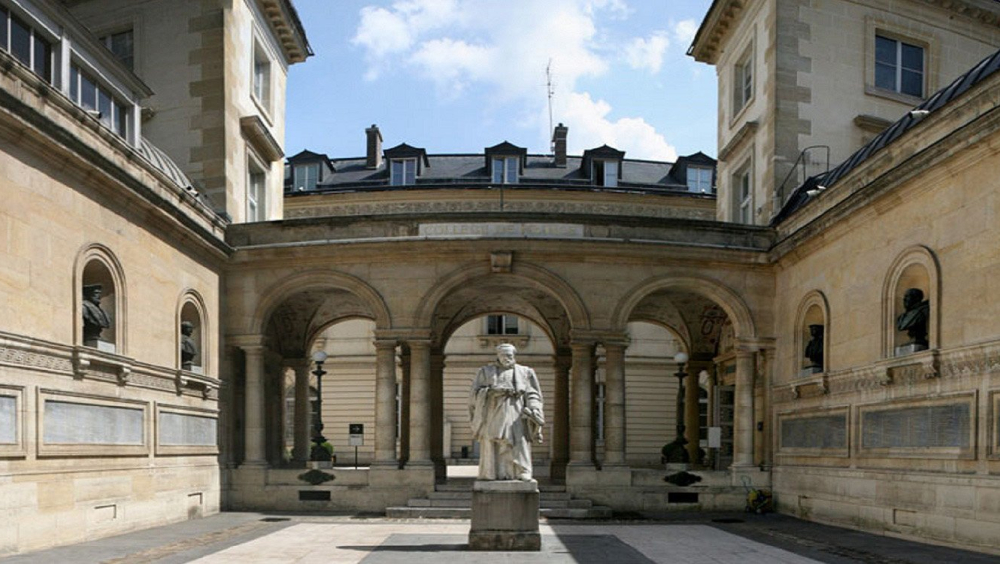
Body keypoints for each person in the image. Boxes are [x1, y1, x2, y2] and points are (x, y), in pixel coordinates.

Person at [469, 344, 544, 481]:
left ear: (514, 356)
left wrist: (534, 407)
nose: (506, 358)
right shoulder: (486, 372)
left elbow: (533, 393)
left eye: (509, 355)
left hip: (516, 413)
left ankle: (522, 470)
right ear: (497, 356)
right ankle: (492, 472)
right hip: (493, 412)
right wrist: (490, 392)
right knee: (493, 441)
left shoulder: (525, 372)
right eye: (503, 355)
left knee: (519, 441)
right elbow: (474, 393)